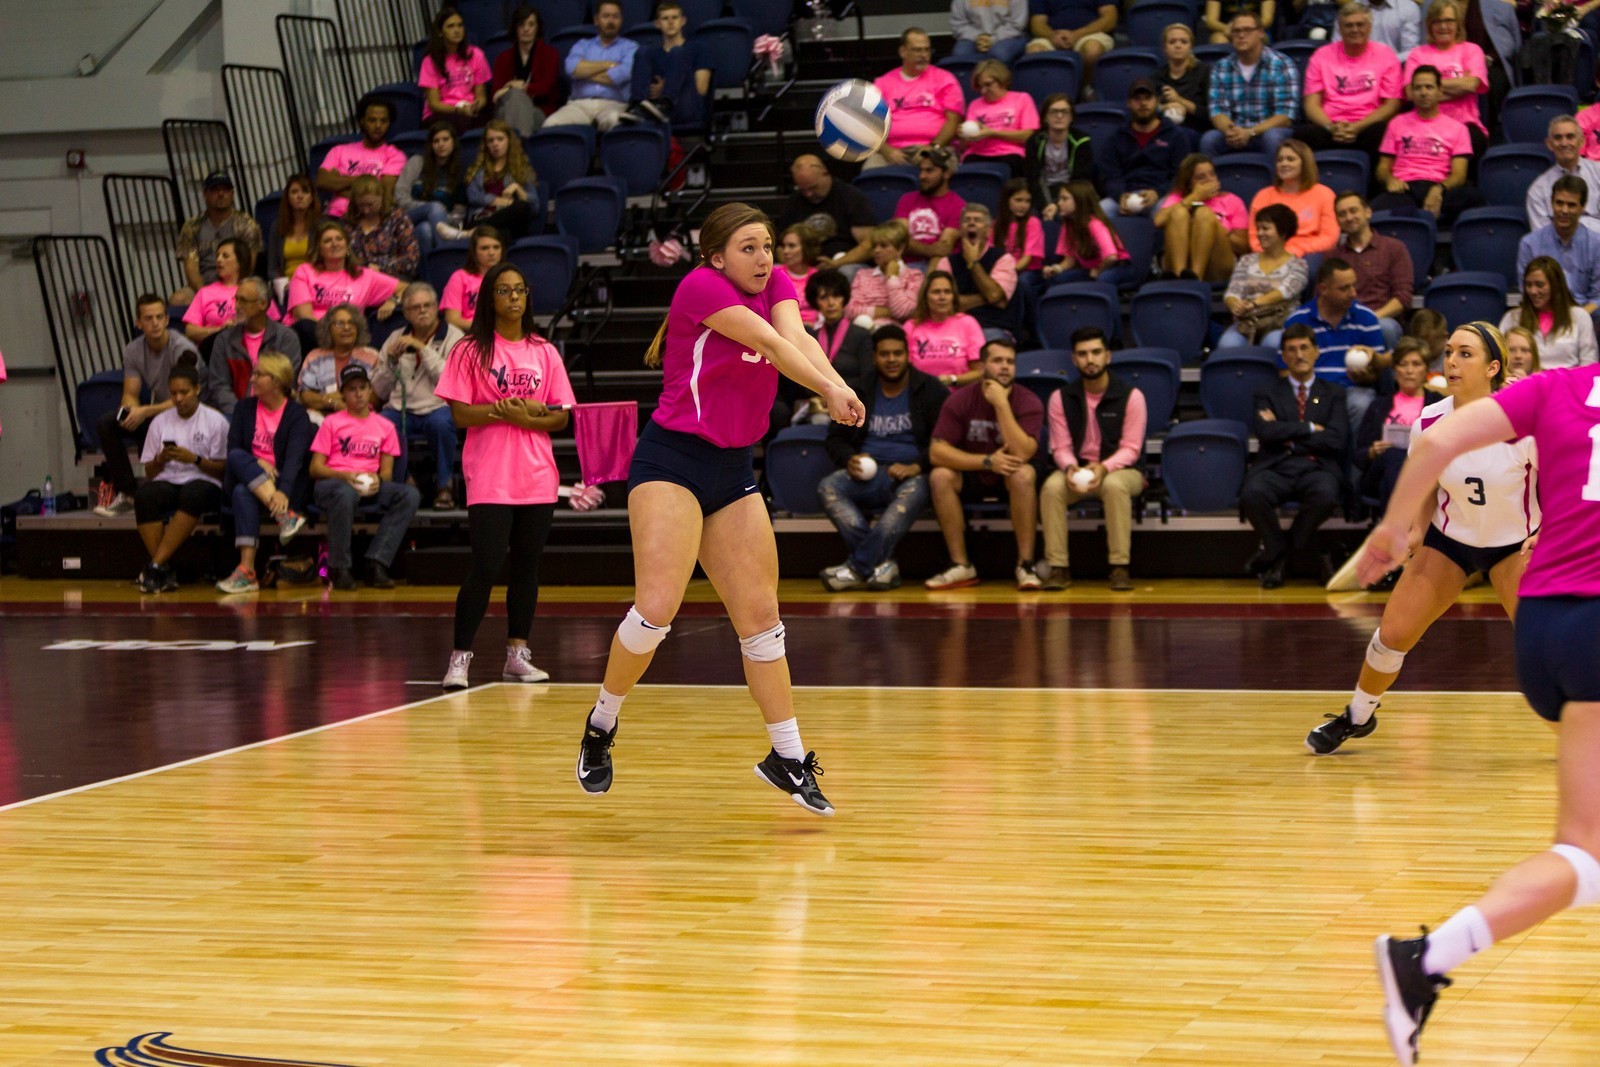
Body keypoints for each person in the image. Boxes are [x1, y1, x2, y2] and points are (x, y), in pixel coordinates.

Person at [572, 203, 865, 816]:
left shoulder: (778, 281)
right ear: (716, 257)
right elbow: (768, 343)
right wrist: (829, 389)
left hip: (734, 469)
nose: (765, 259)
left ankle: (786, 757)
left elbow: (798, 338)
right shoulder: (699, 287)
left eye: (769, 246)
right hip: (672, 461)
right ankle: (602, 723)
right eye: (750, 249)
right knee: (656, 610)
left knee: (761, 617)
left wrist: (836, 379)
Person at [1357, 339, 1600, 1067]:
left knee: (1585, 855)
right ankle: (1424, 957)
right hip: (1592, 622)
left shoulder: (1557, 388)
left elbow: (1433, 441)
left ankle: (1423, 958)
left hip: (1546, 628)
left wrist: (1394, 529)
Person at [436, 262, 575, 685]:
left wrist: (528, 418)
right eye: (504, 291)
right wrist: (505, 409)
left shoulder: (544, 351)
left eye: (519, 290)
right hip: (491, 474)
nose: (514, 298)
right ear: (489, 299)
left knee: (526, 568)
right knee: (486, 564)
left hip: (537, 476)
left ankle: (517, 653)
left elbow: (561, 417)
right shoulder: (469, 350)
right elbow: (460, 414)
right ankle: (460, 657)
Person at [818, 324, 949, 591]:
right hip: (868, 474)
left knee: (918, 487)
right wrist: (849, 459)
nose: (891, 360)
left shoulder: (931, 390)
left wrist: (917, 465)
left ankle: (857, 567)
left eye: (897, 354)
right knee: (828, 486)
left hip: (912, 477)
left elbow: (945, 440)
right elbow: (835, 439)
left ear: (907, 354)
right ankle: (883, 564)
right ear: (875, 357)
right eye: (885, 354)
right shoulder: (858, 390)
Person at [924, 338, 1044, 591]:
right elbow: (936, 452)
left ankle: (1026, 564)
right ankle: (961, 565)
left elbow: (1023, 453)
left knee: (1023, 473)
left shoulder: (1028, 401)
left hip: (1010, 474)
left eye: (1010, 362)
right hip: (978, 470)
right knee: (940, 476)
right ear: (982, 366)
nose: (1005, 367)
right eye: (997, 361)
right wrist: (987, 461)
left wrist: (1001, 404)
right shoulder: (960, 399)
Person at [1038, 326, 1148, 592]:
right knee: (1052, 488)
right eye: (1083, 354)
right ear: (1074, 360)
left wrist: (1104, 467)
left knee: (1114, 485)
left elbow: (1131, 449)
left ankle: (1119, 567)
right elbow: (1060, 446)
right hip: (1078, 468)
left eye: (1096, 352)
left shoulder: (1132, 396)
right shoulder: (1060, 398)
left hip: (1122, 471)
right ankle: (1059, 568)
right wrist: (1069, 466)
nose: (1090, 360)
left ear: (1108, 356)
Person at [1240, 323, 1349, 588]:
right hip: (1277, 466)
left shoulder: (1334, 393)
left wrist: (1289, 439)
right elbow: (1266, 433)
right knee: (1252, 493)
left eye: (1304, 348)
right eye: (1291, 350)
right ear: (1284, 356)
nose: (1299, 355)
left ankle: (1275, 555)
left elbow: (1336, 439)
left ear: (1316, 352)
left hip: (1315, 467)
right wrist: (1309, 428)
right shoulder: (1266, 392)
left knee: (1326, 494)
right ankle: (1281, 553)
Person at [308, 364, 423, 590]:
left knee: (409, 495)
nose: (358, 393)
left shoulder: (385, 426)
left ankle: (376, 562)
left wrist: (378, 481)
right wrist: (346, 476)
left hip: (369, 485)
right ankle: (339, 568)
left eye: (363, 387)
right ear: (343, 393)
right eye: (352, 389)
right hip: (333, 485)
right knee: (345, 493)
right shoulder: (331, 423)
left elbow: (387, 472)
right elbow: (315, 468)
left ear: (370, 390)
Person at [92, 295, 201, 518]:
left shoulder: (181, 349)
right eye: (149, 318)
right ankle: (128, 494)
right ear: (138, 323)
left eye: (160, 317)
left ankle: (166, 497)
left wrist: (144, 412)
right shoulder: (133, 350)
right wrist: (131, 412)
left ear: (167, 319)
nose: (155, 323)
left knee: (153, 421)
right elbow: (130, 393)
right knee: (107, 423)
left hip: (188, 413)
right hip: (161, 412)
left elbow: (184, 399)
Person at [131, 354, 229, 594]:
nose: (178, 398)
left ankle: (155, 566)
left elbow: (223, 468)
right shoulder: (160, 422)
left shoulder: (215, 421)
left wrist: (194, 459)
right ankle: (161, 569)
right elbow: (149, 471)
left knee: (193, 493)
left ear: (196, 389)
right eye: (173, 393)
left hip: (204, 482)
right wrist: (160, 459)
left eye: (183, 392)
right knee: (144, 496)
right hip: (169, 479)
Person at [216, 352, 313, 594]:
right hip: (246, 475)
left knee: (241, 493)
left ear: (278, 381)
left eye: (259, 374)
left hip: (283, 487)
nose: (252, 379)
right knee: (238, 457)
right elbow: (233, 449)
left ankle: (246, 571)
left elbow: (294, 460)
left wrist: (283, 492)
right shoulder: (244, 408)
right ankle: (285, 518)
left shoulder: (296, 414)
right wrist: (258, 461)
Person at [373, 281, 464, 510]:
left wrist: (422, 349)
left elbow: (451, 381)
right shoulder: (395, 337)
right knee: (380, 424)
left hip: (437, 407)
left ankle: (444, 486)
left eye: (427, 305)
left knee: (442, 423)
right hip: (399, 409)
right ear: (405, 312)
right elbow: (379, 390)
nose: (422, 310)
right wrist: (390, 363)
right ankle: (404, 481)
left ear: (436, 308)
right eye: (415, 307)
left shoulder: (454, 336)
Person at [1283, 256, 1390, 425]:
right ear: (1323, 289)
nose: (1353, 293)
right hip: (1313, 392)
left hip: (1352, 390)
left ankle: (1357, 452)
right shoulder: (1297, 321)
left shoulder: (1366, 318)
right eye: (1344, 288)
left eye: (1354, 285)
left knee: (1362, 403)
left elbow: (1375, 375)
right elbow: (1284, 371)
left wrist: (1364, 376)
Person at [1372, 64, 1483, 225]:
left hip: (1440, 186)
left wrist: (1439, 189)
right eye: (1418, 88)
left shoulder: (1459, 129)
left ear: (1439, 92)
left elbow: (1459, 175)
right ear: (1412, 93)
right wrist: (1390, 180)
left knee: (1475, 199)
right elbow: (1382, 168)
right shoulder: (1396, 123)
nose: (1423, 92)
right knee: (1373, 211)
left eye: (1429, 87)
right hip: (1405, 188)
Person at [1297, 2, 1404, 159]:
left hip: (1368, 127)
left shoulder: (1386, 55)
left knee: (1384, 131)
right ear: (1340, 29)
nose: (1355, 30)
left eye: (1360, 25)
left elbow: (1392, 104)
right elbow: (1311, 104)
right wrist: (1331, 127)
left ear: (1369, 27)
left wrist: (1358, 127)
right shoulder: (1321, 56)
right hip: (1331, 127)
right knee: (1303, 134)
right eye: (1349, 25)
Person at [285, 221, 407, 354]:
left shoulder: (364, 275)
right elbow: (304, 316)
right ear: (319, 249)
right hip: (313, 336)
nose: (335, 243)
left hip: (348, 336)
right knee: (306, 326)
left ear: (347, 245)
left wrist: (392, 300)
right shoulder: (304, 271)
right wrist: (334, 335)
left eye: (339, 239)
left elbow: (406, 288)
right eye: (327, 241)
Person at [1351, 338, 1445, 509]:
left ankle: (1396, 527)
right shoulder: (1378, 405)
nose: (1409, 371)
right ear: (1394, 371)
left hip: (1425, 472)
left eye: (1416, 364)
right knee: (1394, 456)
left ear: (1426, 370)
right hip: (1381, 473)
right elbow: (1359, 455)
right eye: (1403, 364)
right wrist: (1372, 451)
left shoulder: (1439, 404)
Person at [1202, 13, 1300, 158]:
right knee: (1209, 139)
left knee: (1272, 138)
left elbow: (1285, 115)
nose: (1241, 35)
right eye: (1236, 31)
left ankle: (1275, 181)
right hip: (1235, 132)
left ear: (1261, 33)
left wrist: (1251, 132)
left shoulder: (1282, 64)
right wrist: (1232, 130)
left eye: (1247, 30)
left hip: (1268, 131)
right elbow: (1217, 111)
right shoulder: (1221, 67)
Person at [202, 277, 303, 417]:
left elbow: (286, 383)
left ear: (262, 304)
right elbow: (219, 387)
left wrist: (262, 415)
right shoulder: (224, 340)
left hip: (275, 413)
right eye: (236, 299)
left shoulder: (285, 338)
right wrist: (242, 414)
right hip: (235, 415)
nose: (236, 306)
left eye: (243, 301)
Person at [1404, 0, 1491, 160]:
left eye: (1449, 21)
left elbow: (1472, 84)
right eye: (1438, 21)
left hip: (1465, 124)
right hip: (1424, 124)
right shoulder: (1417, 54)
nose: (1443, 26)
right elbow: (1410, 93)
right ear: (1430, 25)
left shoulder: (1472, 50)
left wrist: (1427, 88)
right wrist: (1458, 87)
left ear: (1458, 24)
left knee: (1474, 142)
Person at [1100, 78, 1196, 221]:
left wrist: (1158, 192)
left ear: (1157, 101)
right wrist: (1120, 195)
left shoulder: (1175, 135)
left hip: (1162, 196)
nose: (1143, 103)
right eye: (1137, 99)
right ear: (1129, 103)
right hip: (1127, 195)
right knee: (1099, 213)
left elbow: (1181, 175)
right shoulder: (1116, 138)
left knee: (1169, 214)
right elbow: (1110, 176)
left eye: (1148, 98)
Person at [868, 29, 964, 169]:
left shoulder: (945, 79)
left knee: (938, 172)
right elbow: (869, 125)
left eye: (927, 50)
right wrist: (886, 150)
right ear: (903, 52)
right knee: (871, 176)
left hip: (936, 148)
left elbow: (953, 120)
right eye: (917, 50)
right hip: (892, 151)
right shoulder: (882, 83)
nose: (924, 55)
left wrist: (933, 147)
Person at [1218, 203, 1309, 347]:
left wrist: (1254, 303)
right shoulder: (1246, 261)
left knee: (1273, 344)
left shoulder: (1299, 265)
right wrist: (1235, 304)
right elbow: (1233, 291)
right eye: (1258, 228)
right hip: (1246, 322)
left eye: (1265, 228)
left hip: (1280, 322)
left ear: (1283, 232)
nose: (1260, 233)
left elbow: (1285, 292)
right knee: (1227, 346)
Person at [1335, 190, 1414, 349]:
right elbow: (1323, 296)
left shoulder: (1394, 248)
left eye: (1353, 210)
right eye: (1342, 214)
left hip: (1382, 318)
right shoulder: (1333, 256)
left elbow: (1403, 297)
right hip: (1343, 321)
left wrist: (1371, 319)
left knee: (1385, 328)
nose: (1349, 217)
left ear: (1368, 212)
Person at [1155, 153, 1250, 283]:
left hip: (1218, 261)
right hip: (1181, 260)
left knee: (1203, 214)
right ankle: (1179, 278)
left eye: (1212, 174)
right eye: (1201, 177)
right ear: (1189, 183)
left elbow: (1243, 247)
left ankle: (1195, 278)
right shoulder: (1177, 198)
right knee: (1178, 213)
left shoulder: (1231, 200)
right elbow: (1158, 221)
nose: (1210, 180)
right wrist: (1194, 198)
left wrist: (1217, 227)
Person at [545, 0, 637, 132]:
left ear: (621, 20)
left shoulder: (631, 47)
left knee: (617, 122)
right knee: (550, 125)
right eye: (606, 16)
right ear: (596, 20)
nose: (611, 21)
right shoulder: (582, 45)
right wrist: (609, 65)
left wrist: (584, 73)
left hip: (614, 104)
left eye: (615, 16)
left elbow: (618, 76)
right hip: (579, 104)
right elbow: (572, 69)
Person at [933, 203, 1020, 340]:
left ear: (988, 231)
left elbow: (993, 294)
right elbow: (945, 304)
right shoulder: (946, 263)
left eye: (977, 220)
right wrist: (985, 298)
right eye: (967, 220)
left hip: (991, 327)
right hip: (955, 328)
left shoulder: (1003, 259)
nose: (971, 223)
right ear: (960, 230)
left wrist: (973, 263)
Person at [440, 120, 538, 242]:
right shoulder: (477, 170)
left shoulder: (522, 170)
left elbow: (534, 207)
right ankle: (476, 231)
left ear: (509, 141)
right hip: (481, 217)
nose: (495, 144)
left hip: (509, 222)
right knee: (502, 235)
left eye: (500, 139)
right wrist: (499, 201)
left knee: (521, 208)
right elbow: (473, 197)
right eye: (490, 140)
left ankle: (468, 234)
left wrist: (517, 188)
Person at [174, 172, 262, 305]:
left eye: (226, 190)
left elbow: (248, 265)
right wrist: (205, 293)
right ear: (205, 194)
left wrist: (227, 291)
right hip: (202, 285)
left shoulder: (246, 224)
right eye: (215, 190)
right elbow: (190, 267)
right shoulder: (192, 226)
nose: (221, 194)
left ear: (232, 194)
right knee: (178, 300)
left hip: (236, 283)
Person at [620, 0, 711, 128]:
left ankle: (665, 103)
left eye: (675, 17)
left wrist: (666, 88)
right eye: (665, 18)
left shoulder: (698, 48)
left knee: (677, 52)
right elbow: (648, 86)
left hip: (686, 106)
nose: (670, 22)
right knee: (643, 51)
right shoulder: (652, 54)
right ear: (657, 24)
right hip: (653, 108)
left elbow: (701, 89)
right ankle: (637, 106)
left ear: (683, 21)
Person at [1517, 176, 1600, 314]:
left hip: (1585, 316)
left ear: (1583, 207)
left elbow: (1598, 297)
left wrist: (1577, 321)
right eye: (1559, 203)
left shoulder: (1596, 244)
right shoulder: (1529, 244)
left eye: (1571, 205)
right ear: (1551, 203)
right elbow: (1527, 292)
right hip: (1542, 316)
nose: (1564, 210)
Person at [776, 154, 877, 267]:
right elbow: (780, 246)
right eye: (803, 189)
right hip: (804, 264)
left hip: (845, 262)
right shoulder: (794, 202)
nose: (808, 194)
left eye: (813, 187)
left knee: (848, 271)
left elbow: (869, 244)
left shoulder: (851, 197)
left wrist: (837, 263)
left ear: (825, 174)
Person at [1499, 256, 1600, 368]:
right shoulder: (1512, 318)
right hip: (1527, 383)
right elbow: (1500, 362)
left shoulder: (1580, 316)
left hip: (1569, 384)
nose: (1533, 291)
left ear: (1556, 286)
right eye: (1528, 285)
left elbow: (1589, 365)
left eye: (1539, 285)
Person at [317, 96, 407, 219]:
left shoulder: (395, 155)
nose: (378, 125)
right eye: (372, 120)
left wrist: (340, 185)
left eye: (383, 121)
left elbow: (383, 193)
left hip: (369, 218)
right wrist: (366, 182)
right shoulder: (339, 151)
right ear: (362, 121)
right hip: (336, 218)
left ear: (389, 123)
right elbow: (321, 182)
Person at [1248, 139, 1339, 256]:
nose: (1283, 164)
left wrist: (1297, 250)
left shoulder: (1324, 194)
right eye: (1280, 160)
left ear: (1304, 163)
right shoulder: (1263, 196)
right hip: (1270, 255)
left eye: (1290, 159)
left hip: (1310, 254)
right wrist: (1276, 254)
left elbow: (1329, 238)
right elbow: (1254, 239)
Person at [297, 303, 382, 422]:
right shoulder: (314, 357)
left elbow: (376, 397)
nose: (347, 327)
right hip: (321, 417)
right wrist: (332, 402)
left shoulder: (371, 357)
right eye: (340, 323)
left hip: (361, 416)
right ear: (328, 329)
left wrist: (346, 402)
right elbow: (306, 396)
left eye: (351, 323)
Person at [1042, 180, 1133, 288]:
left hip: (1117, 267)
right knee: (1057, 280)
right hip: (1090, 269)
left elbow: (1111, 257)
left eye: (1065, 199)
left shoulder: (1094, 224)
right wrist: (1056, 269)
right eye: (1060, 199)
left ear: (1080, 201)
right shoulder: (1068, 226)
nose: (1059, 203)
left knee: (1102, 279)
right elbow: (1070, 260)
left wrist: (1098, 270)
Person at [395, 122, 467, 258]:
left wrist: (441, 216)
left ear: (454, 142)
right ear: (431, 145)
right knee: (435, 207)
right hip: (409, 216)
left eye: (445, 139)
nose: (441, 144)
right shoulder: (417, 162)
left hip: (440, 222)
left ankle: (430, 275)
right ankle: (445, 254)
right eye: (436, 141)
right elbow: (400, 196)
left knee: (425, 231)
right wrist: (432, 209)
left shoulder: (459, 172)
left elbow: (459, 215)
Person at [960, 60, 1040, 178]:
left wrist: (992, 133)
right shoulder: (974, 104)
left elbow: (1028, 136)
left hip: (1010, 154)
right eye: (980, 86)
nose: (983, 91)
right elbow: (965, 144)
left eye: (988, 85)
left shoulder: (1022, 99)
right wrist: (963, 136)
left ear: (1001, 81)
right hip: (977, 153)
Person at [490, 4, 561, 137]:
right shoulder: (503, 58)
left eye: (531, 24)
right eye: (522, 25)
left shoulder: (550, 54)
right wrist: (516, 88)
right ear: (515, 28)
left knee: (516, 97)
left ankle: (513, 148)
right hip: (505, 110)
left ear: (537, 27)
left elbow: (545, 88)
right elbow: (495, 95)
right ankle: (519, 149)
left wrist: (518, 87)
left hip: (538, 111)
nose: (526, 29)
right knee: (514, 99)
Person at [907, 271, 988, 386]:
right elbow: (904, 372)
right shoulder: (911, 326)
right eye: (936, 292)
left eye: (947, 292)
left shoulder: (968, 323)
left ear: (953, 297)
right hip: (920, 396)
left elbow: (980, 372)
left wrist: (953, 380)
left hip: (958, 395)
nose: (942, 297)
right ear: (925, 297)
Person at [418, 7, 491, 133]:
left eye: (460, 25)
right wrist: (458, 109)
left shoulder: (476, 54)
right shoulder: (430, 61)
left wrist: (475, 106)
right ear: (440, 32)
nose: (457, 30)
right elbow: (434, 104)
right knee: (463, 123)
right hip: (442, 113)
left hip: (470, 109)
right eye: (450, 26)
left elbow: (481, 97)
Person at [1527, 114, 1600, 234]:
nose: (1564, 143)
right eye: (1558, 138)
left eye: (1570, 137)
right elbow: (1542, 238)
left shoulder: (1598, 172)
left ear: (1582, 141)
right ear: (1549, 144)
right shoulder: (1538, 190)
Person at [1023, 94, 1096, 213]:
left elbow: (1080, 179)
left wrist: (1059, 204)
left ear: (1071, 117)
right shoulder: (1034, 141)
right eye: (1054, 112)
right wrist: (1046, 205)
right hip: (1044, 191)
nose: (1059, 116)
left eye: (1064, 112)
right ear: (1045, 117)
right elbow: (1034, 179)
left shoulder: (1081, 141)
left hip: (1071, 191)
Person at [894, 146, 966, 264]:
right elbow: (898, 239)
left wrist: (912, 246)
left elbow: (944, 249)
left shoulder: (958, 205)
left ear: (946, 173)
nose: (922, 176)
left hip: (936, 266)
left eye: (929, 171)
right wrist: (929, 249)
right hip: (903, 266)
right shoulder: (907, 199)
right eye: (921, 170)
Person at [847, 220, 924, 327]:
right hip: (864, 332)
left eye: (883, 246)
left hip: (895, 333)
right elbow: (850, 310)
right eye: (874, 246)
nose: (877, 251)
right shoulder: (862, 275)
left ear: (900, 248)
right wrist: (888, 312)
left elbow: (902, 312)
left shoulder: (914, 276)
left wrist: (892, 277)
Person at [343, 175, 421, 281]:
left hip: (393, 277)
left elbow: (412, 257)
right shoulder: (349, 223)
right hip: (358, 278)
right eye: (361, 205)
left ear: (381, 197)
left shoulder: (397, 217)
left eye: (371, 204)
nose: (366, 210)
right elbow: (345, 253)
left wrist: (382, 268)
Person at [1025, 0, 1118, 84]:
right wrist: (1052, 36)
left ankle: (1085, 89)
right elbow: (1037, 23)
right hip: (1053, 35)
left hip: (1090, 33)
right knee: (1034, 51)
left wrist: (1077, 35)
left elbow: (1110, 19)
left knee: (1092, 51)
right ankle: (1052, 95)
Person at [181, 237, 250, 346]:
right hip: (213, 350)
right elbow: (190, 331)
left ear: (240, 262)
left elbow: (270, 324)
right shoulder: (205, 292)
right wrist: (220, 330)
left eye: (225, 256)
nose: (218, 260)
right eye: (217, 255)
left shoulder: (253, 290)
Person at [807, 270, 873, 379]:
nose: (831, 303)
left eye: (836, 296)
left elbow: (867, 378)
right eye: (823, 297)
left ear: (844, 299)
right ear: (815, 301)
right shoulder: (811, 338)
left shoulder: (861, 335)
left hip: (852, 395)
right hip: (816, 395)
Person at [441, 226, 504, 331]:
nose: (491, 253)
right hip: (471, 335)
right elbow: (452, 319)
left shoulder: (509, 277)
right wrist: (485, 329)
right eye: (484, 248)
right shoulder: (459, 277)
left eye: (496, 247)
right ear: (474, 252)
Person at [1155, 23, 1210, 135]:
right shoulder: (1157, 76)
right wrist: (1164, 107)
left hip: (1197, 131)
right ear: (1164, 48)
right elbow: (1149, 108)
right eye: (1172, 42)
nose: (1178, 46)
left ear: (1191, 47)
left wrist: (1179, 100)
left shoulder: (1204, 72)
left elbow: (1210, 113)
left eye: (1184, 42)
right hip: (1165, 130)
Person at [266, 174, 320, 285]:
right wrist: (285, 285)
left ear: (311, 198)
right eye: (294, 192)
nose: (300, 196)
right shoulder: (277, 226)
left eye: (305, 192)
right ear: (288, 198)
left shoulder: (320, 225)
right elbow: (271, 269)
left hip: (315, 283)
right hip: (287, 286)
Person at [996, 178, 1046, 288]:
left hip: (1028, 271)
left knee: (1020, 282)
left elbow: (1027, 259)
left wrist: (1008, 275)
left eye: (1027, 201)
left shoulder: (1033, 223)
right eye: (1018, 200)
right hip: (1003, 270)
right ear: (1007, 200)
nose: (1023, 205)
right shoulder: (996, 225)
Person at [951, 0, 1030, 65]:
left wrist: (993, 39)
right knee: (961, 53)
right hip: (974, 37)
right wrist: (978, 37)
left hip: (1010, 36)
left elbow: (1018, 24)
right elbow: (958, 25)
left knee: (1000, 53)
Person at [1337, 0, 1422, 59]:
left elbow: (1410, 52)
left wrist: (1383, 63)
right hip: (1354, 69)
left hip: (1396, 68)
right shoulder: (1349, 9)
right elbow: (1337, 47)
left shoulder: (1408, 8)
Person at [777, 224, 820, 325]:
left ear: (806, 248)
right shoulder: (775, 274)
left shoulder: (818, 277)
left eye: (791, 246)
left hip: (816, 330)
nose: (785, 251)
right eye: (784, 246)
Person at [1204, 0, 1277, 41]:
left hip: (1254, 28)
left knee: (1259, 37)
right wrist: (1232, 29)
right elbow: (1211, 21)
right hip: (1226, 29)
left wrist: (1248, 30)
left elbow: (1267, 19)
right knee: (1218, 39)